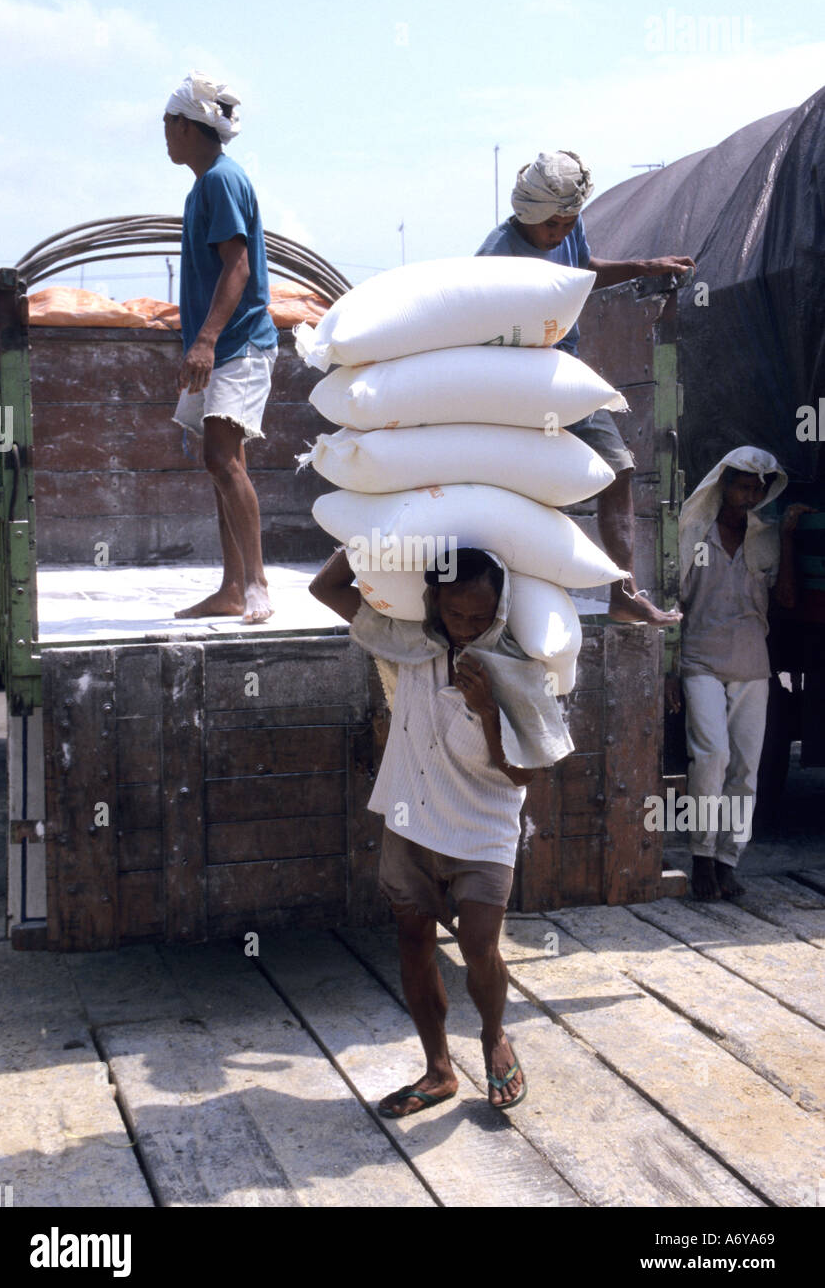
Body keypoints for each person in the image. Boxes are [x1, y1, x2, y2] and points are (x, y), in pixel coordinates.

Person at [310, 546, 573, 1115]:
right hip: (412, 814)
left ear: (501, 608)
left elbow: (525, 774)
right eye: (455, 614)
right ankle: (438, 1070)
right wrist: (370, 536)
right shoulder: (409, 643)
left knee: (479, 946)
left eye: (481, 616)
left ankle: (494, 1035)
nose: (468, 627)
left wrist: (488, 711)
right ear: (432, 602)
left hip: (483, 826)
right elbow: (325, 589)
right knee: (413, 943)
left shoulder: (516, 666)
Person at [477, 149, 694, 626]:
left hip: (564, 370)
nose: (559, 233)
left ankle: (624, 594)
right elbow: (474, 324)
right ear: (528, 213)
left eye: (567, 222)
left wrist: (644, 266)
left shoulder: (569, 229)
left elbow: (584, 272)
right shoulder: (497, 253)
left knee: (618, 469)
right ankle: (502, 598)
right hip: (515, 377)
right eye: (551, 225)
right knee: (518, 490)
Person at [667, 447, 812, 900]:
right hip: (700, 659)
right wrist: (668, 669)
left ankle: (727, 861)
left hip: (751, 664)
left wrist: (786, 537)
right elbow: (674, 603)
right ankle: (702, 856)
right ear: (723, 485)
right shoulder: (694, 535)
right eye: (743, 486)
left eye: (756, 489)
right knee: (712, 756)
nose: (750, 496)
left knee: (746, 768)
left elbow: (785, 599)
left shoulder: (764, 538)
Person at [164, 70, 279, 624]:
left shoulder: (221, 181)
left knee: (221, 458)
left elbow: (238, 267)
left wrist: (206, 340)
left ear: (188, 126)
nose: (165, 134)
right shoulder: (205, 184)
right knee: (221, 463)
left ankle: (256, 584)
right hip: (221, 345)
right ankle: (232, 587)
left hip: (239, 343)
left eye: (169, 123)